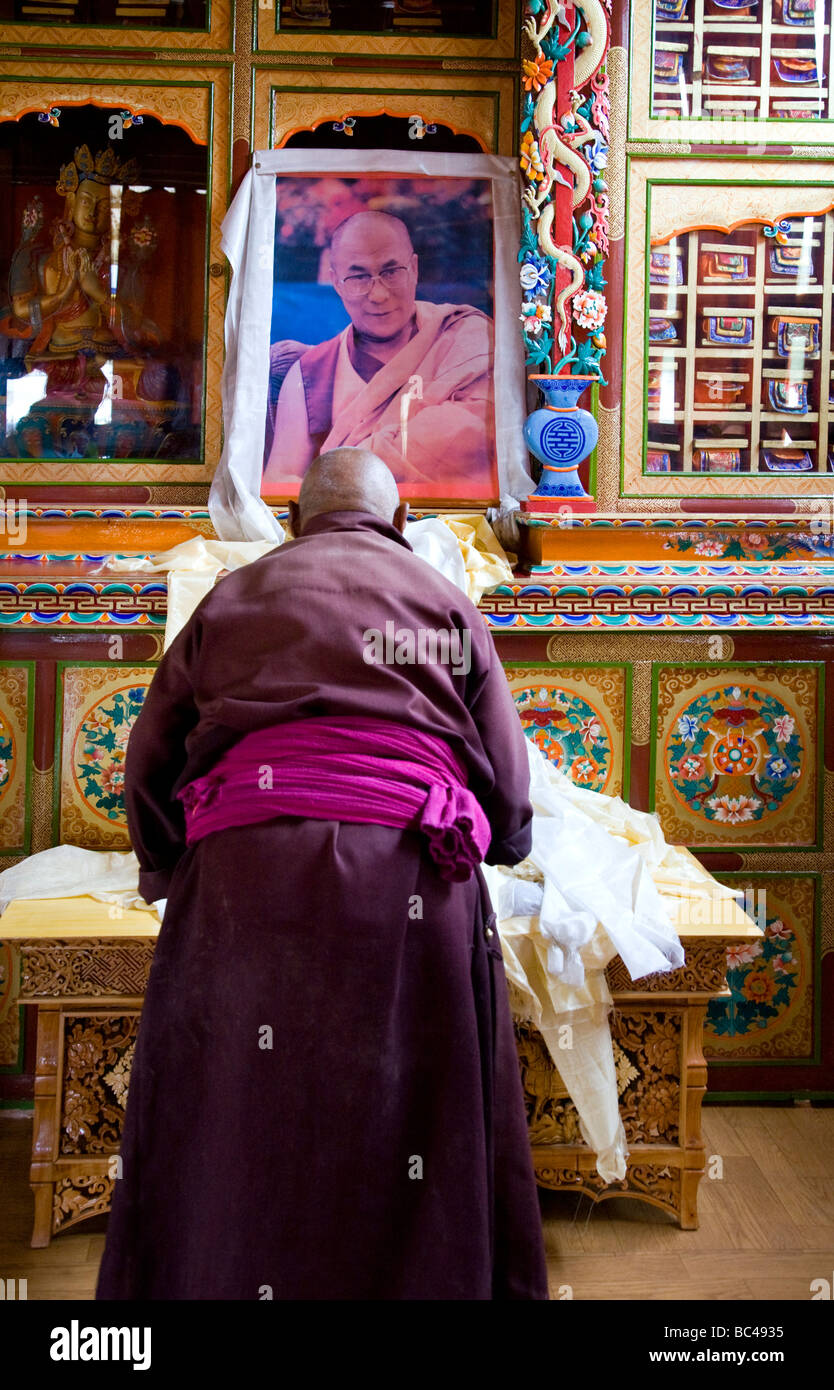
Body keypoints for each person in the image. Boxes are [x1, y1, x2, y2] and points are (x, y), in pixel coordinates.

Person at [95, 447, 548, 1301]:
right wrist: (505, 843)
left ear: (295, 522)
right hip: (413, 872)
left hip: (244, 878)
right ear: (401, 523)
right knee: (415, 1109)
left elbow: (149, 751)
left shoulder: (235, 595)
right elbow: (505, 775)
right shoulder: (442, 603)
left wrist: (167, 867)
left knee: (236, 1110)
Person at [261, 210, 496, 498]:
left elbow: (470, 436)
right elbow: (280, 481)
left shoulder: (463, 337)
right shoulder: (310, 374)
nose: (378, 294)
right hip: (345, 531)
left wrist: (340, 477)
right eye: (358, 277)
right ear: (336, 283)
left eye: (391, 272)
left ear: (414, 269)